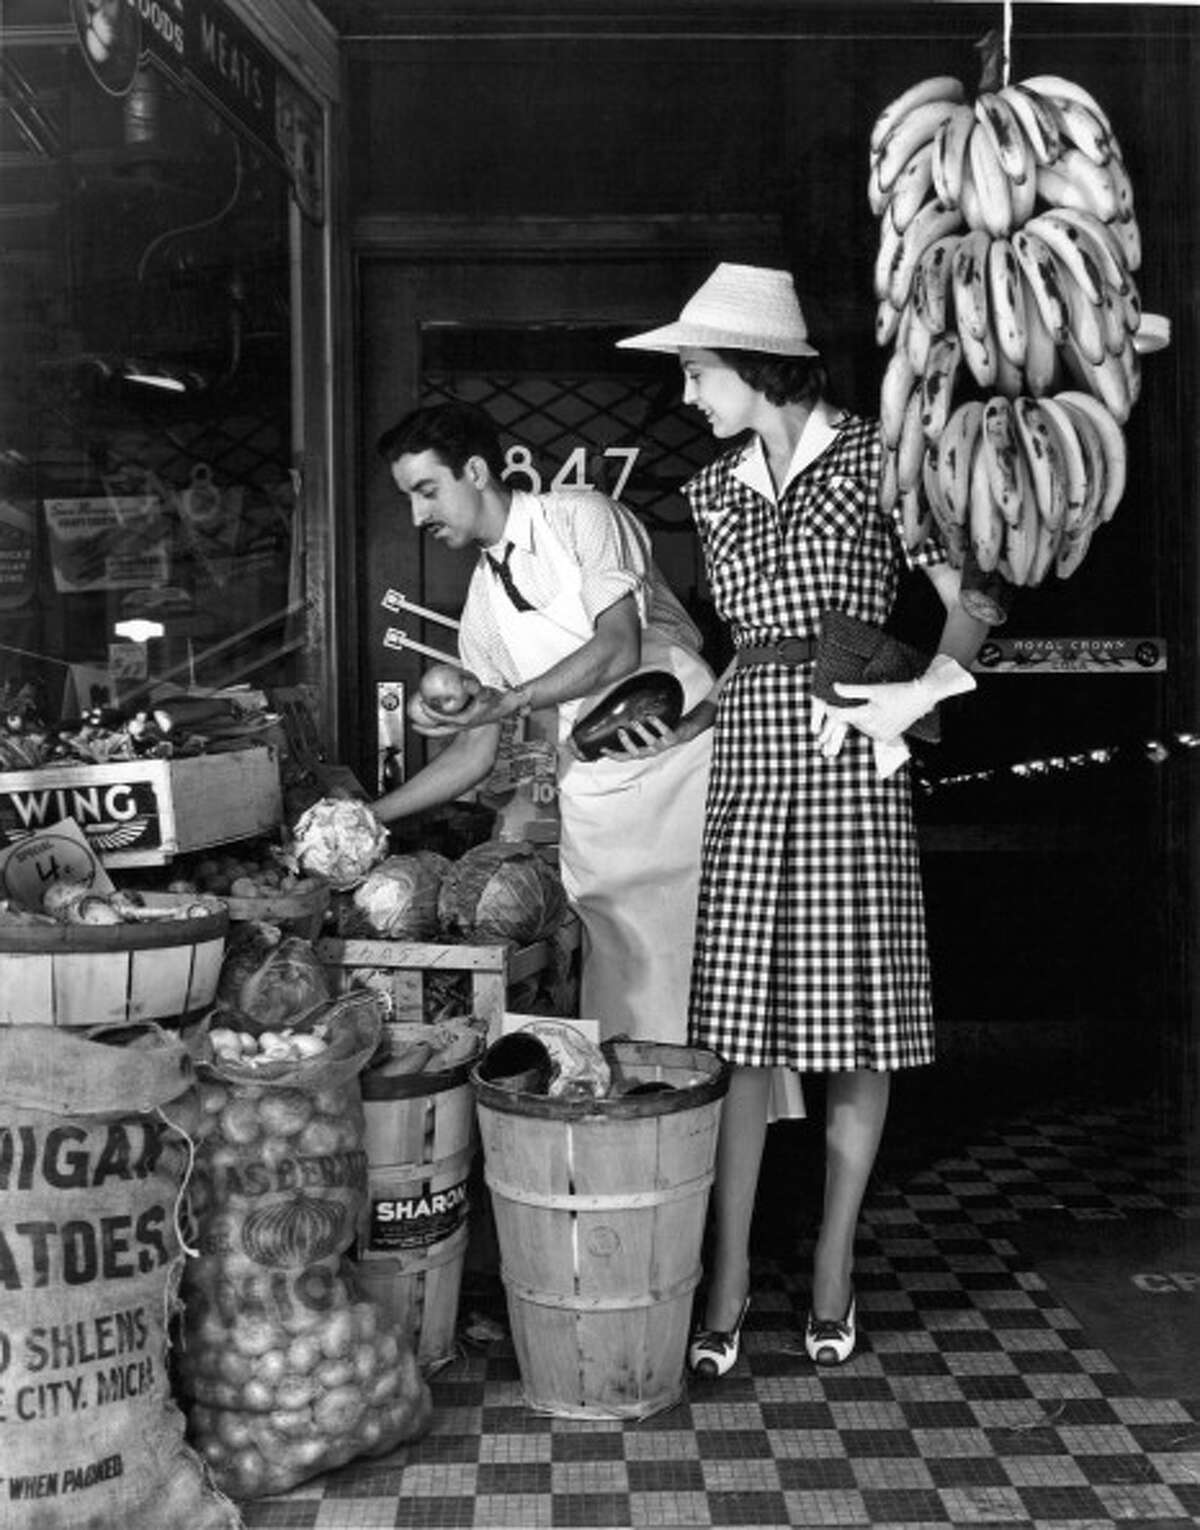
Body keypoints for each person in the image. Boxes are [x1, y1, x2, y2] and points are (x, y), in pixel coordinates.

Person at [617, 262, 990, 1373]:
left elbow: (978, 588)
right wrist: (683, 731)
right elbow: (738, 654)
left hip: (855, 759)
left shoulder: (884, 463)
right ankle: (726, 1278)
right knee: (738, 1036)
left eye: (697, 370)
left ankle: (833, 1266)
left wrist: (926, 689)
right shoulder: (716, 489)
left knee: (856, 1025)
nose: (689, 395)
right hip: (750, 762)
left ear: (756, 366)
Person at [369, 399, 716, 1043]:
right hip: (598, 791)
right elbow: (475, 754)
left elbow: (618, 648)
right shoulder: (481, 609)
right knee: (625, 976)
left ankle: (717, 1131)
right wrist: (372, 817)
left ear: (475, 470)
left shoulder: (582, 517)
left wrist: (511, 700)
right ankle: (643, 1129)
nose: (418, 516)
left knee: (706, 963)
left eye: (426, 491)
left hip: (679, 753)